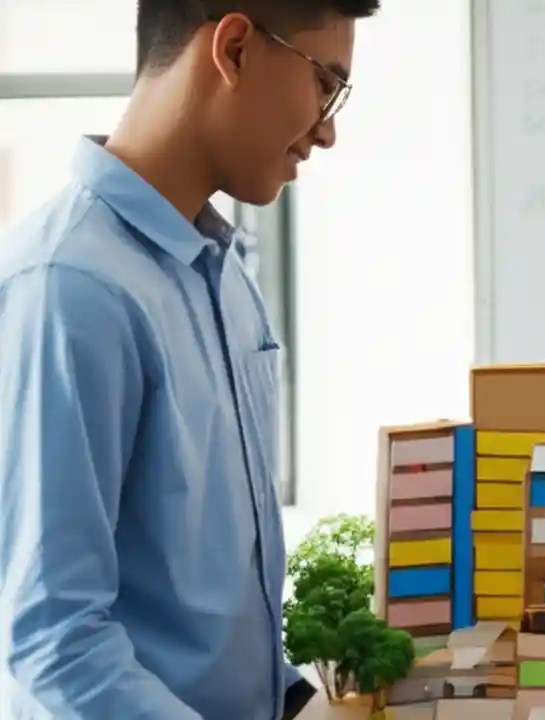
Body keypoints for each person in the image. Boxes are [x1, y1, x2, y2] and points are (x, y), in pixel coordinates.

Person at [0, 1, 378, 718]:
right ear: (233, 49)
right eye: (325, 83)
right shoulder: (70, 288)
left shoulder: (224, 273)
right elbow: (54, 642)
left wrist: (299, 700)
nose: (327, 130)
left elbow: (205, 607)